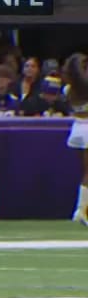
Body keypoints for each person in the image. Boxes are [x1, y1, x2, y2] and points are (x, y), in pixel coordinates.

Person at [63, 53, 88, 226]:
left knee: (85, 172)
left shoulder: (68, 89)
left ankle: (81, 209)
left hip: (77, 128)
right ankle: (80, 210)